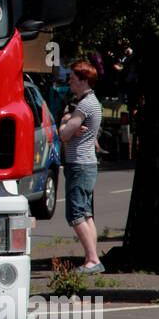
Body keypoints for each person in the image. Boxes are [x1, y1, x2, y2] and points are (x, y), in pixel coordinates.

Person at [58, 59, 103, 274]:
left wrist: (65, 122)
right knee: (86, 214)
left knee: (75, 214)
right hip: (87, 164)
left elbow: (63, 134)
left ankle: (93, 260)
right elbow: (69, 128)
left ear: (83, 81)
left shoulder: (85, 104)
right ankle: (91, 258)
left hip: (79, 165)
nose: (69, 82)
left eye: (73, 79)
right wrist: (69, 121)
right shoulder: (91, 102)